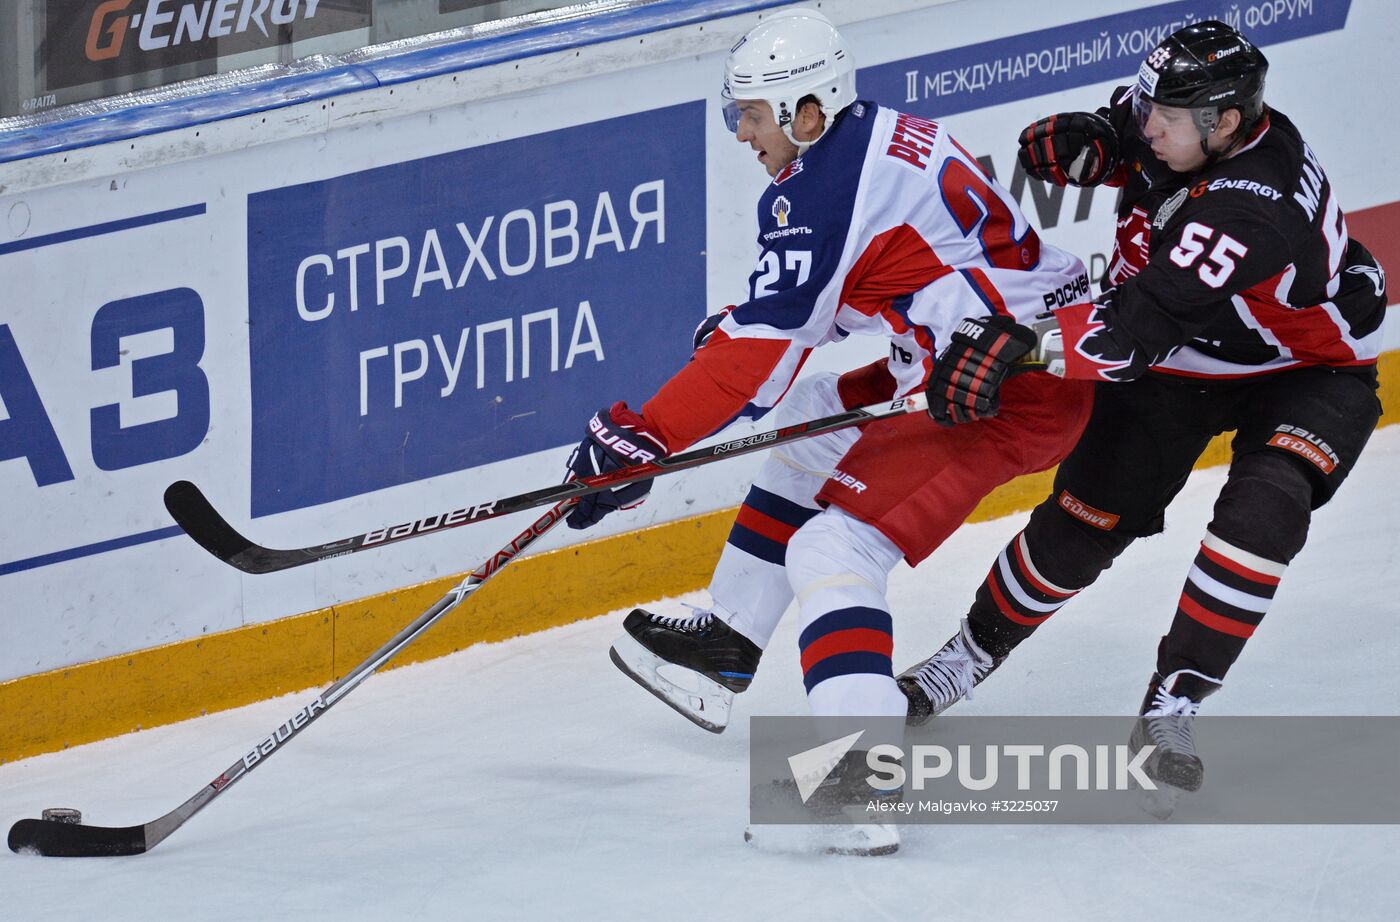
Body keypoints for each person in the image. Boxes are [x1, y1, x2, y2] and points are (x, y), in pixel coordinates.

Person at [562, 8, 1095, 852]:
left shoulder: (823, 187)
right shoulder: (865, 143)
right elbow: (858, 289)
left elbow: (759, 363)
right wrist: (753, 321)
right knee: (810, 421)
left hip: (1009, 387)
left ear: (810, 112)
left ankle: (861, 784)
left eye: (753, 113)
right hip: (966, 358)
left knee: (831, 553)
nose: (741, 132)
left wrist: (647, 436)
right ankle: (728, 647)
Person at [902, 20, 1387, 801]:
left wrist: (1018, 347)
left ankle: (1175, 702)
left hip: (1306, 368)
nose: (1146, 123)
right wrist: (1105, 137)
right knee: (1083, 520)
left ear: (1226, 124)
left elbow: (1136, 325)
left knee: (1266, 509)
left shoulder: (1251, 206)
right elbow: (1133, 130)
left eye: (1162, 119)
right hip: (1185, 361)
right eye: (1145, 106)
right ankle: (965, 655)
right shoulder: (1183, 116)